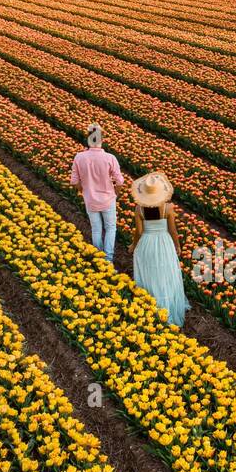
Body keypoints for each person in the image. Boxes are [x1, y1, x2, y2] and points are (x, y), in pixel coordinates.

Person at [131, 172, 189, 328]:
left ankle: (152, 309)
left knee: (150, 275)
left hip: (147, 244)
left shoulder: (139, 209)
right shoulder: (168, 208)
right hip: (163, 243)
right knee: (165, 274)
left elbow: (139, 232)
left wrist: (133, 246)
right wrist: (177, 246)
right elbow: (173, 231)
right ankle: (167, 309)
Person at [70, 131, 124, 262]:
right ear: (101, 141)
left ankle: (98, 260)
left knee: (96, 229)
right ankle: (108, 259)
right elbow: (120, 181)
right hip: (108, 199)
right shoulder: (110, 158)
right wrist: (115, 194)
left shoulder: (79, 157)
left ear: (88, 141)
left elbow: (74, 181)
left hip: (90, 199)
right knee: (111, 228)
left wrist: (84, 191)